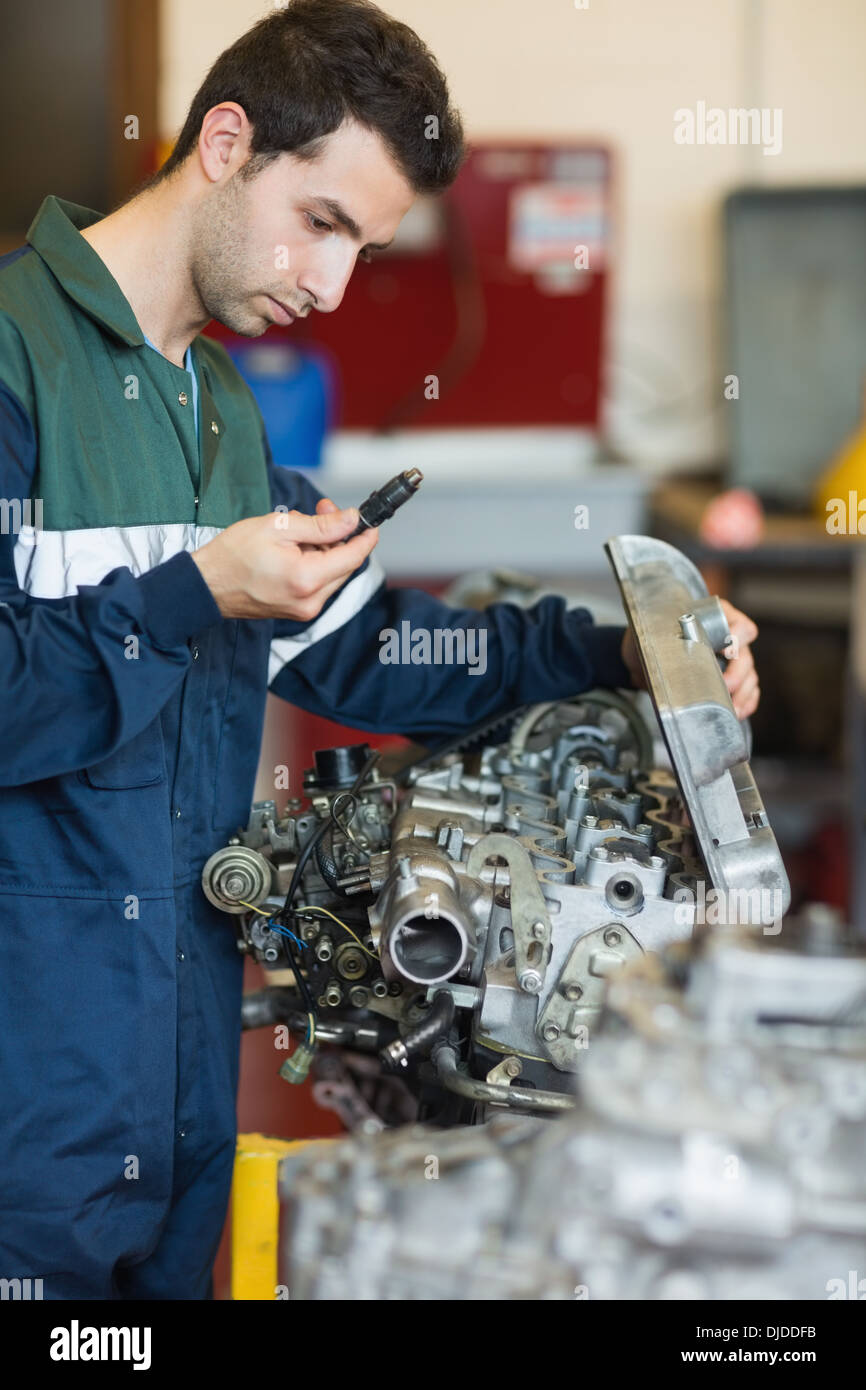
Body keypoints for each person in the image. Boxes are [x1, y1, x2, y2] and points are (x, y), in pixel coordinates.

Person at [0, 0, 760, 1299]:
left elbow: (374, 652)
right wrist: (195, 592)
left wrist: (608, 652)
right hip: (27, 1105)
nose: (333, 285)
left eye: (367, 246)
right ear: (226, 141)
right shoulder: (17, 361)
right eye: (325, 224)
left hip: (176, 1090)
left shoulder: (220, 411)